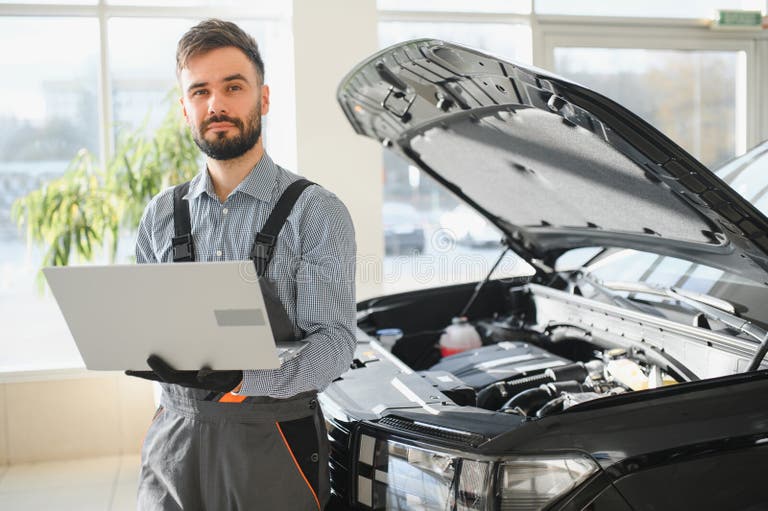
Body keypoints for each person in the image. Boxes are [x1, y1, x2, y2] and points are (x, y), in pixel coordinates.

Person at [125, 18, 357, 510]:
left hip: (272, 442)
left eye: (233, 86)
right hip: (175, 439)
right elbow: (146, 331)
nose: (217, 104)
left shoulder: (316, 211)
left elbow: (335, 343)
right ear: (185, 110)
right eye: (200, 91)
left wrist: (247, 380)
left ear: (264, 98)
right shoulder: (160, 215)